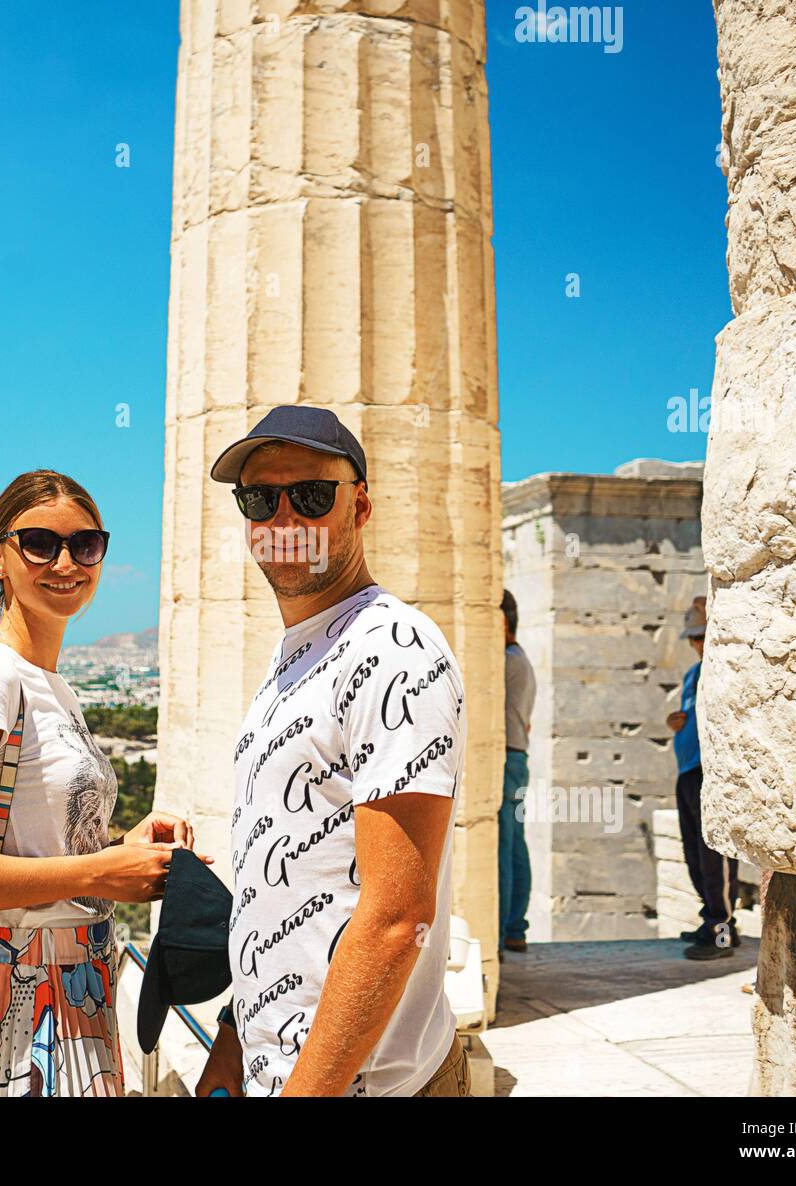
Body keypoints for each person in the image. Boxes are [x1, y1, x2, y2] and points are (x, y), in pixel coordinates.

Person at [0, 469, 203, 1097]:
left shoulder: (52, 684)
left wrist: (119, 848)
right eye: (40, 543)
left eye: (85, 545)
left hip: (72, 989)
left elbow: (36, 843)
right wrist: (97, 874)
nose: (65, 562)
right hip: (12, 1005)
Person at [196, 406, 470, 1098]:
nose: (283, 519)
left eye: (312, 496)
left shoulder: (392, 652)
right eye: (260, 499)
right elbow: (289, 879)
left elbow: (396, 915)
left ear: (362, 506)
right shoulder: (299, 656)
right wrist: (233, 1038)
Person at [667, 596, 739, 960]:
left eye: (702, 635)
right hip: (687, 772)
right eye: (693, 638)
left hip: (710, 773)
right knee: (695, 856)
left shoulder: (723, 669)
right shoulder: (693, 674)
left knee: (716, 860)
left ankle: (722, 933)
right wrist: (675, 722)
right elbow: (689, 716)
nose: (697, 644)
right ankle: (710, 921)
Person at [500, 589, 536, 954]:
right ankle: (515, 927)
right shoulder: (519, 658)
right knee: (514, 846)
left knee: (505, 847)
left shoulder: (509, 660)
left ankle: (506, 928)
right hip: (517, 755)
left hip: (508, 756)